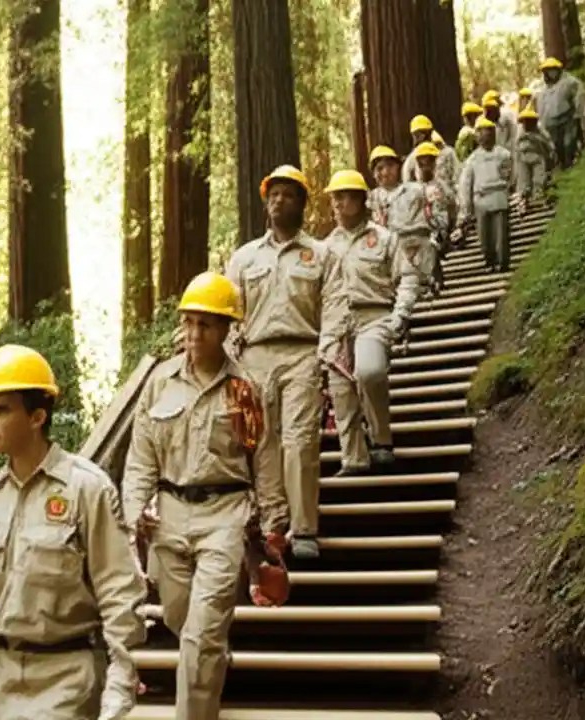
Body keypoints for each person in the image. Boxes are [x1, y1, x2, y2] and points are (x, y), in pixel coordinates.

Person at [0, 345, 146, 720]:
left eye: (2, 410)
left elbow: (120, 594)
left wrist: (119, 687)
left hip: (68, 677)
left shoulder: (85, 489)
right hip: (4, 679)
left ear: (37, 416)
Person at [123, 271, 290, 720]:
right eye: (190, 323)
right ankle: (213, 649)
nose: (195, 334)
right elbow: (141, 456)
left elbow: (265, 456)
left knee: (199, 634)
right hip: (170, 516)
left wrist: (274, 525)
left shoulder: (244, 389)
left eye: (207, 325)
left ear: (227, 329)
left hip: (225, 514)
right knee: (181, 618)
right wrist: (133, 511)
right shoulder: (159, 382)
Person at [225, 165, 331, 561]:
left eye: (287, 194)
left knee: (300, 439)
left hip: (302, 352)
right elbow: (231, 312)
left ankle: (304, 529)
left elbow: (334, 308)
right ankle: (274, 523)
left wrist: (329, 351)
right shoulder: (244, 258)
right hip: (255, 357)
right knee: (262, 442)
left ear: (301, 202)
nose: (278, 201)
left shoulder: (321, 254)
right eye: (273, 194)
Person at [320, 170, 421, 476]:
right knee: (341, 390)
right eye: (334, 197)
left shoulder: (385, 238)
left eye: (344, 196)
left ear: (361, 199)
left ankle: (381, 441)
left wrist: (400, 314)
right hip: (336, 323)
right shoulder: (324, 247)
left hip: (374, 316)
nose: (338, 203)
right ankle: (353, 458)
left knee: (370, 370)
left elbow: (408, 276)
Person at [369, 145, 440, 295]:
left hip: (416, 241)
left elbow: (431, 213)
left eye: (390, 166)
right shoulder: (371, 199)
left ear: (398, 168)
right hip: (389, 248)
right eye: (380, 169)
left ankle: (429, 283)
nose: (385, 172)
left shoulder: (416, 190)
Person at [458, 117, 514, 274]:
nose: (486, 136)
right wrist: (466, 207)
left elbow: (509, 175)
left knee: (501, 233)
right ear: (477, 136)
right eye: (482, 133)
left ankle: (502, 262)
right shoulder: (472, 160)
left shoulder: (503, 154)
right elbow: (466, 183)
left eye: (489, 132)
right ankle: (489, 260)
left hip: (498, 195)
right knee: (484, 235)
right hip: (481, 199)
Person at [413, 141, 455, 292]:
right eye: (421, 164)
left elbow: (450, 203)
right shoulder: (414, 189)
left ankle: (436, 279)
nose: (425, 168)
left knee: (433, 248)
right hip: (422, 225)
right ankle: (432, 279)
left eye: (428, 164)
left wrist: (449, 224)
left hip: (438, 223)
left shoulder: (440, 186)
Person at [536, 56, 585, 169]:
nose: (550, 73)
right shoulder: (543, 90)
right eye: (547, 71)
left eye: (552, 70)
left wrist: (579, 114)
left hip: (567, 118)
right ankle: (563, 166)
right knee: (557, 147)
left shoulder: (569, 82)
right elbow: (541, 109)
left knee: (569, 144)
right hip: (551, 124)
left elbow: (579, 97)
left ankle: (572, 164)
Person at [402, 114, 458, 191]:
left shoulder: (448, 153)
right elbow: (407, 183)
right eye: (417, 135)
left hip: (445, 197)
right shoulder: (412, 158)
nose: (421, 138)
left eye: (423, 133)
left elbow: (457, 176)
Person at [514, 107, 556, 208]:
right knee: (524, 181)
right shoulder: (520, 131)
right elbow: (516, 146)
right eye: (525, 122)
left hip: (537, 157)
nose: (527, 124)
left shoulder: (540, 130)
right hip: (523, 158)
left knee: (539, 179)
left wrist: (536, 140)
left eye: (529, 121)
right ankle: (524, 198)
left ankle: (538, 196)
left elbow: (549, 144)